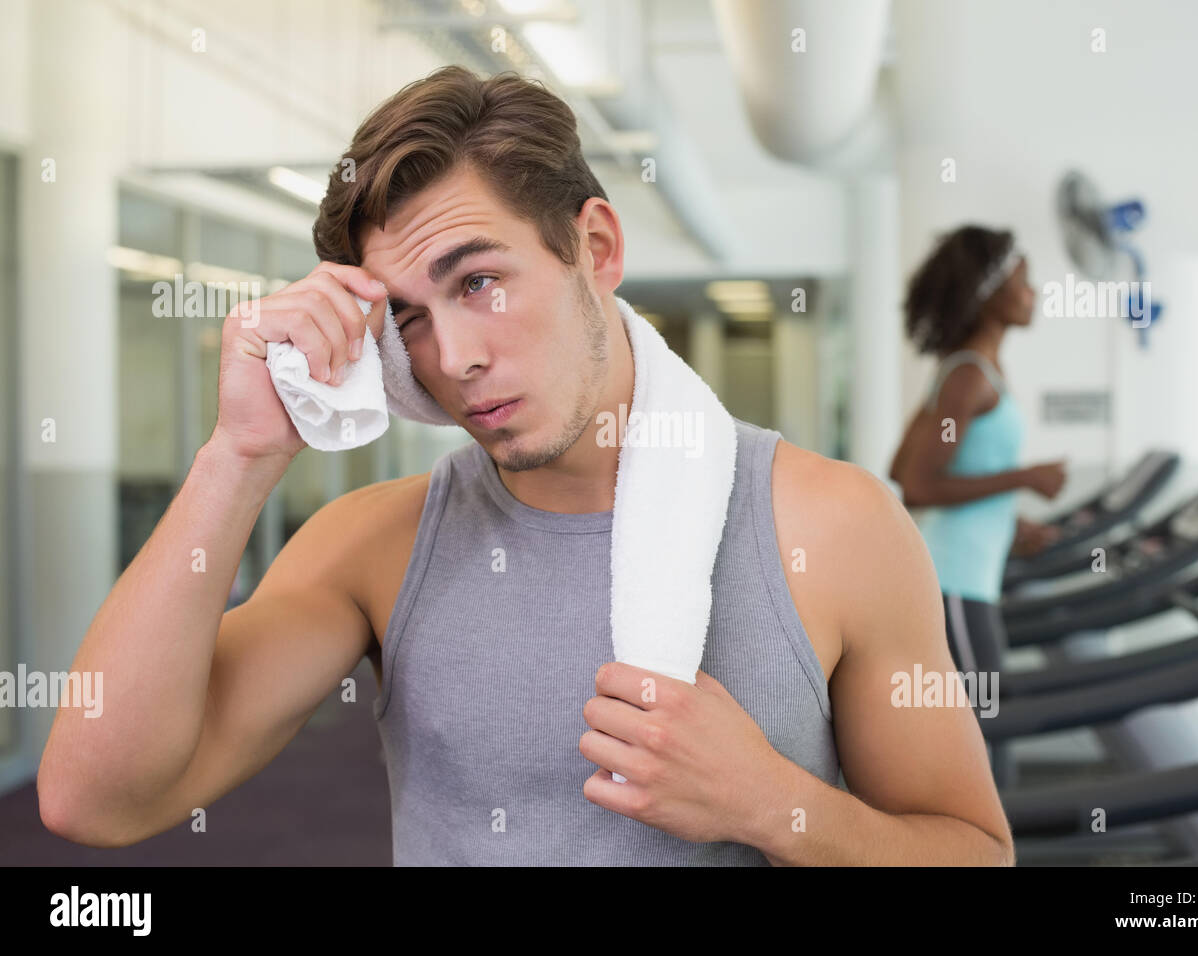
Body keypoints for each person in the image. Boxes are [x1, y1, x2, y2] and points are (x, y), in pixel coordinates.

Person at [38, 67, 1013, 866]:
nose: (453, 354)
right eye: (409, 317)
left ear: (594, 246)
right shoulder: (373, 544)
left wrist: (777, 805)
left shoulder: (831, 524)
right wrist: (238, 453)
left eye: (480, 281)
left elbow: (972, 849)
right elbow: (93, 798)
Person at [890, 226, 1066, 694]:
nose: (1034, 293)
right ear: (989, 294)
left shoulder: (965, 369)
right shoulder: (968, 376)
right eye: (1023, 281)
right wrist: (1023, 477)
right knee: (983, 728)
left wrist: (1007, 522)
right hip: (955, 583)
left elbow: (898, 465)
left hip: (964, 579)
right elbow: (916, 484)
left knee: (985, 728)